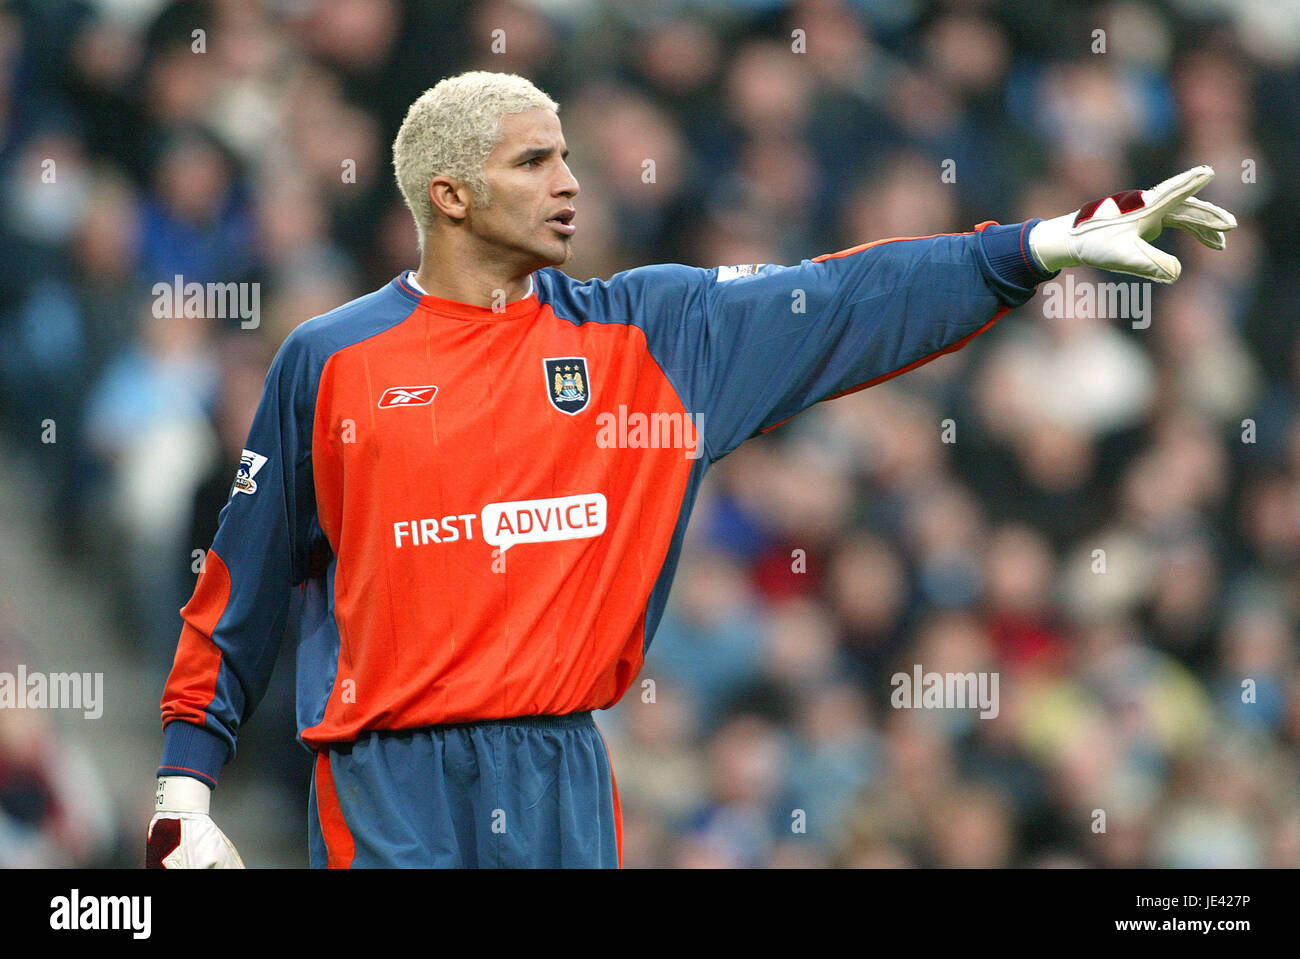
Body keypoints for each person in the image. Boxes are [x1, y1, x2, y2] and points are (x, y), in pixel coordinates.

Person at [146, 71, 1237, 868]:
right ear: (450, 194)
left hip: (564, 773)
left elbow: (843, 298)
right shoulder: (329, 361)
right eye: (535, 160)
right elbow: (234, 590)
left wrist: (1031, 246)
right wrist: (184, 789)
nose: (573, 182)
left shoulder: (652, 336)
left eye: (569, 153)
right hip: (389, 780)